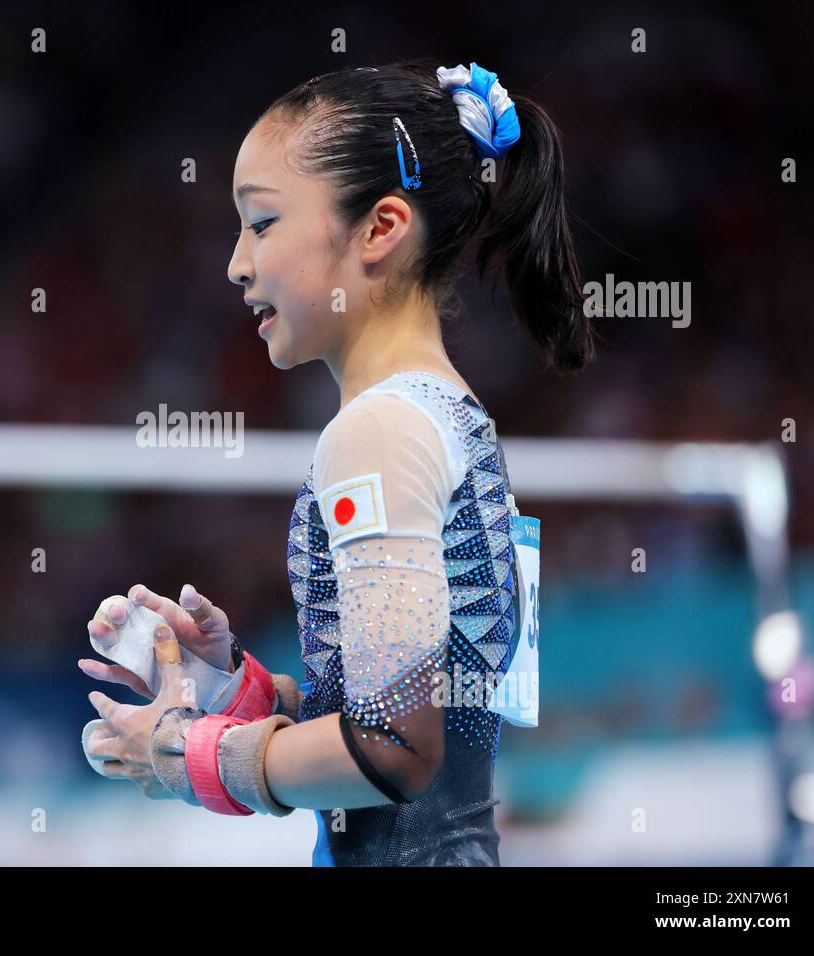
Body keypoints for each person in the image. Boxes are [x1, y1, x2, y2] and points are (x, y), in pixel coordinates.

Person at [79, 58, 592, 866]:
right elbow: (408, 715)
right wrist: (228, 689)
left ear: (381, 229)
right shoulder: (447, 415)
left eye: (262, 222)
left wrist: (183, 756)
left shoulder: (378, 434)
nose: (236, 263)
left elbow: (396, 748)